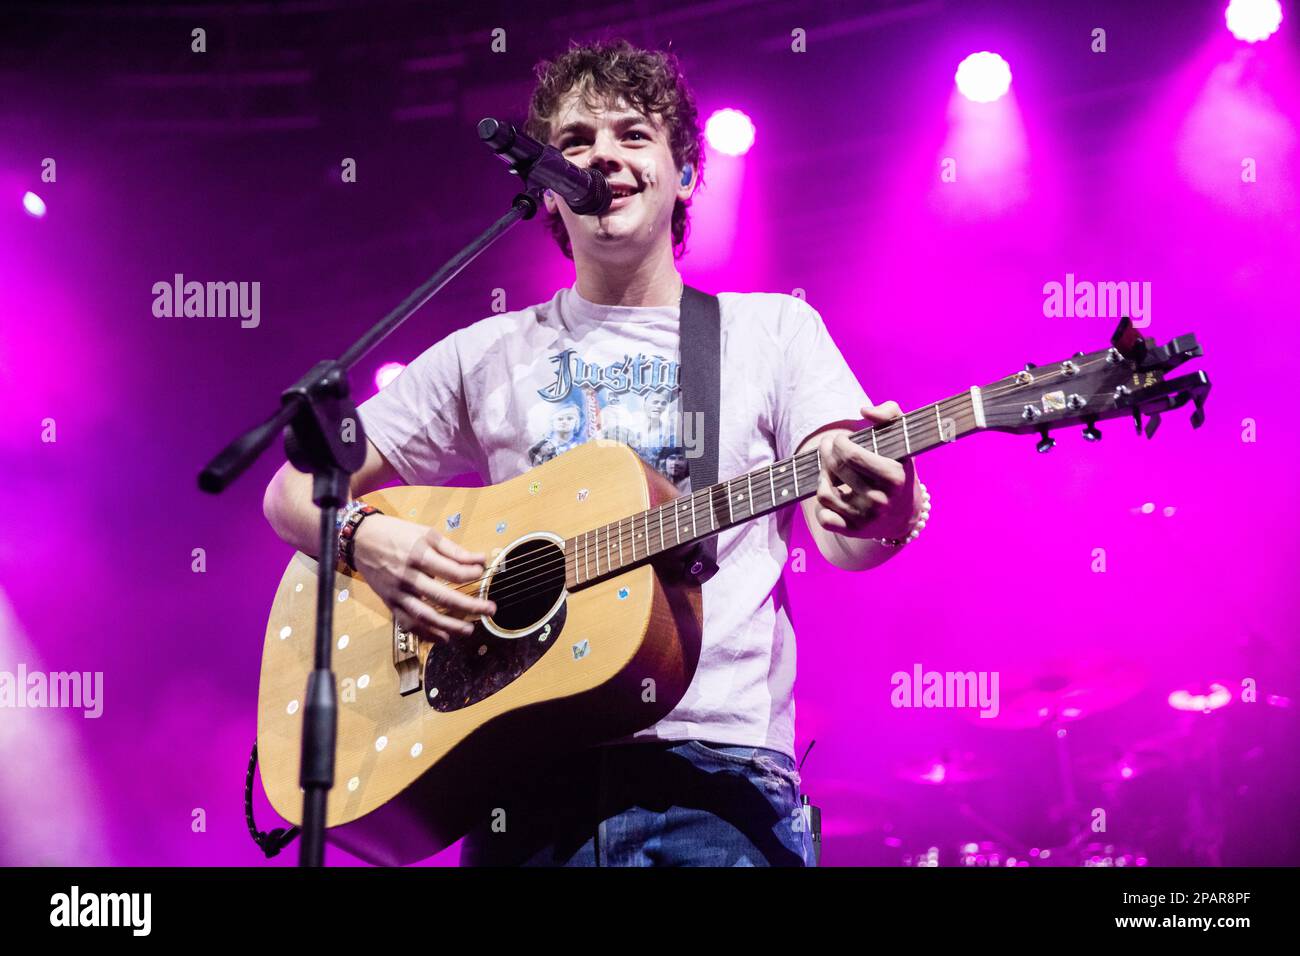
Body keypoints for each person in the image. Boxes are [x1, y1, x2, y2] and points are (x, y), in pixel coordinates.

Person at [262, 38, 926, 867]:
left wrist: (883, 503)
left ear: (687, 175)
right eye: (575, 141)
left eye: (632, 134)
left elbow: (848, 536)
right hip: (523, 780)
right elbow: (292, 491)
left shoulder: (773, 331)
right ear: (548, 189)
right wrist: (368, 539)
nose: (601, 155)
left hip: (718, 783)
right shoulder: (486, 352)